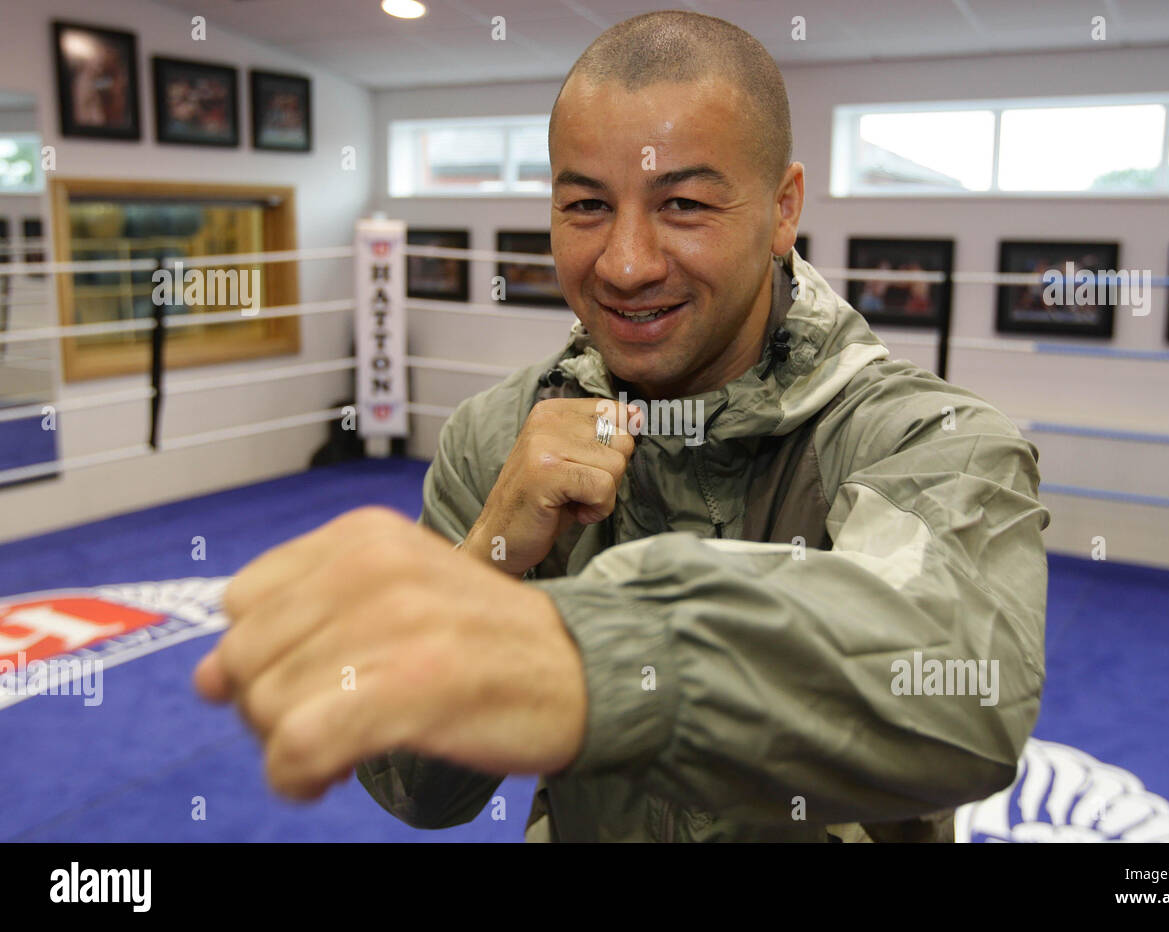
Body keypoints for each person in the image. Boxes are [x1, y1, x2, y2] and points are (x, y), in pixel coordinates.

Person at [193, 10, 1050, 843]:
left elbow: (971, 694)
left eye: (682, 204)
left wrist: (579, 656)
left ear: (783, 208)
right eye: (587, 207)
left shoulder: (925, 435)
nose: (627, 264)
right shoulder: (498, 436)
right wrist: (490, 556)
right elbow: (419, 793)